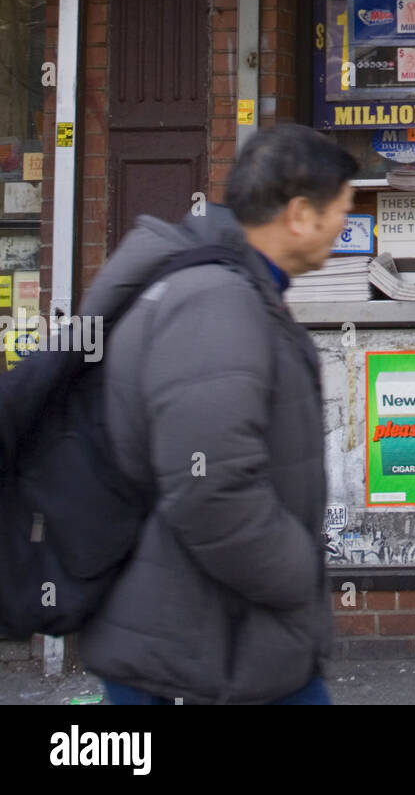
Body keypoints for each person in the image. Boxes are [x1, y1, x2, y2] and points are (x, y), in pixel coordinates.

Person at [79, 124, 357, 705]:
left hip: (220, 638)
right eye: (341, 210)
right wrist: (296, 577)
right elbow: (210, 486)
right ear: (301, 214)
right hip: (198, 650)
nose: (344, 225)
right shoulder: (217, 302)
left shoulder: (237, 291)